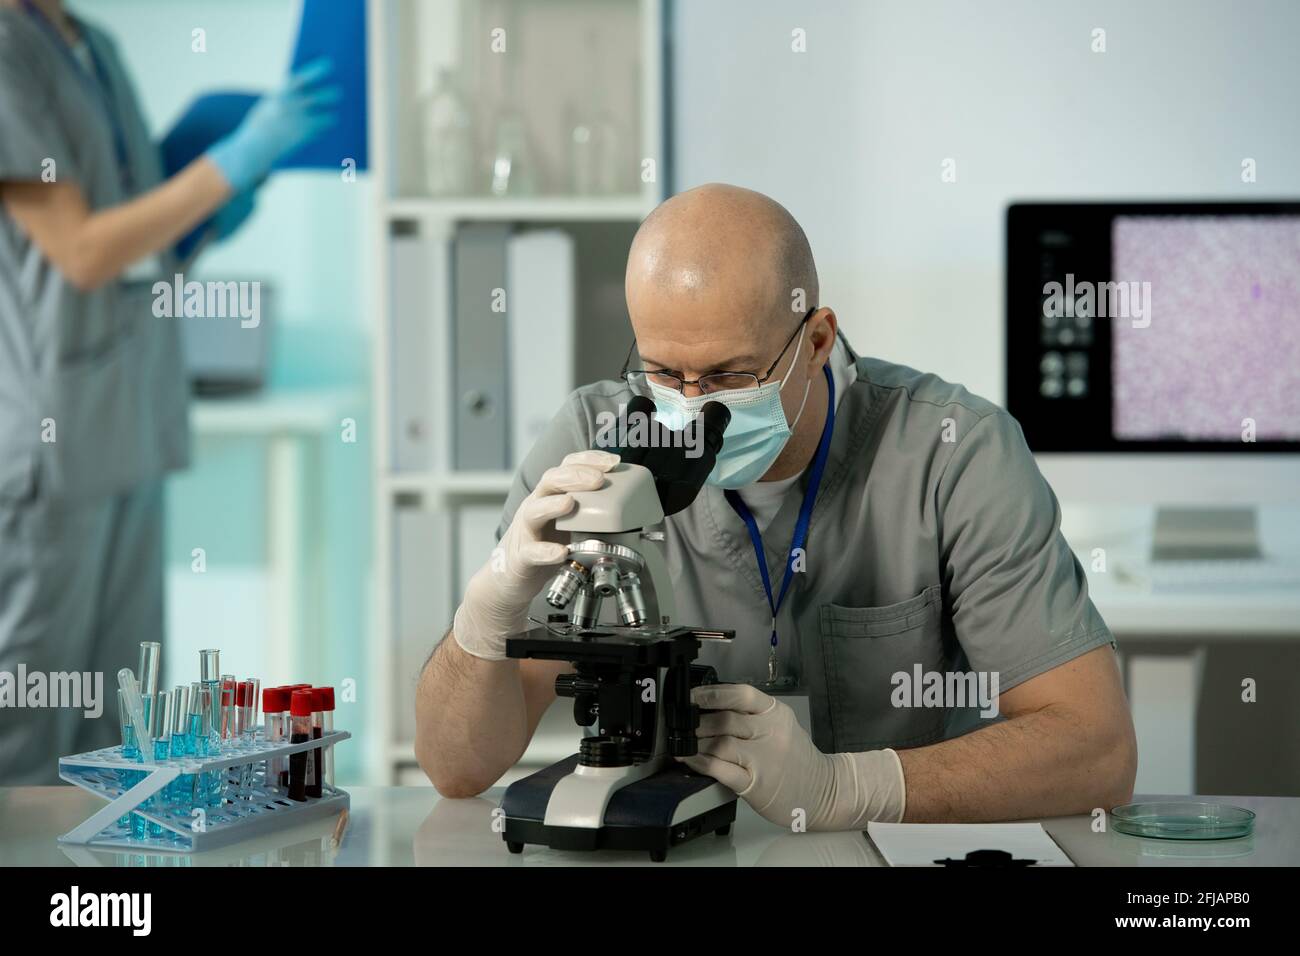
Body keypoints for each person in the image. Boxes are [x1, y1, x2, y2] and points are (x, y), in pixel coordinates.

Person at [416, 183, 1138, 829]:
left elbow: (1095, 749)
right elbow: (459, 770)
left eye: (729, 375)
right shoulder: (593, 439)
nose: (690, 410)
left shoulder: (956, 451)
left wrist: (847, 787)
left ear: (816, 340)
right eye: (665, 372)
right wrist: (485, 622)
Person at [0, 0, 338, 783]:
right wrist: (230, 161)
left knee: (122, 717)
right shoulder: (9, 51)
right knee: (27, 718)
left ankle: (105, 878)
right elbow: (81, 251)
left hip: (125, 415)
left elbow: (134, 239)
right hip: (50, 431)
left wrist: (214, 205)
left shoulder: (94, 46)